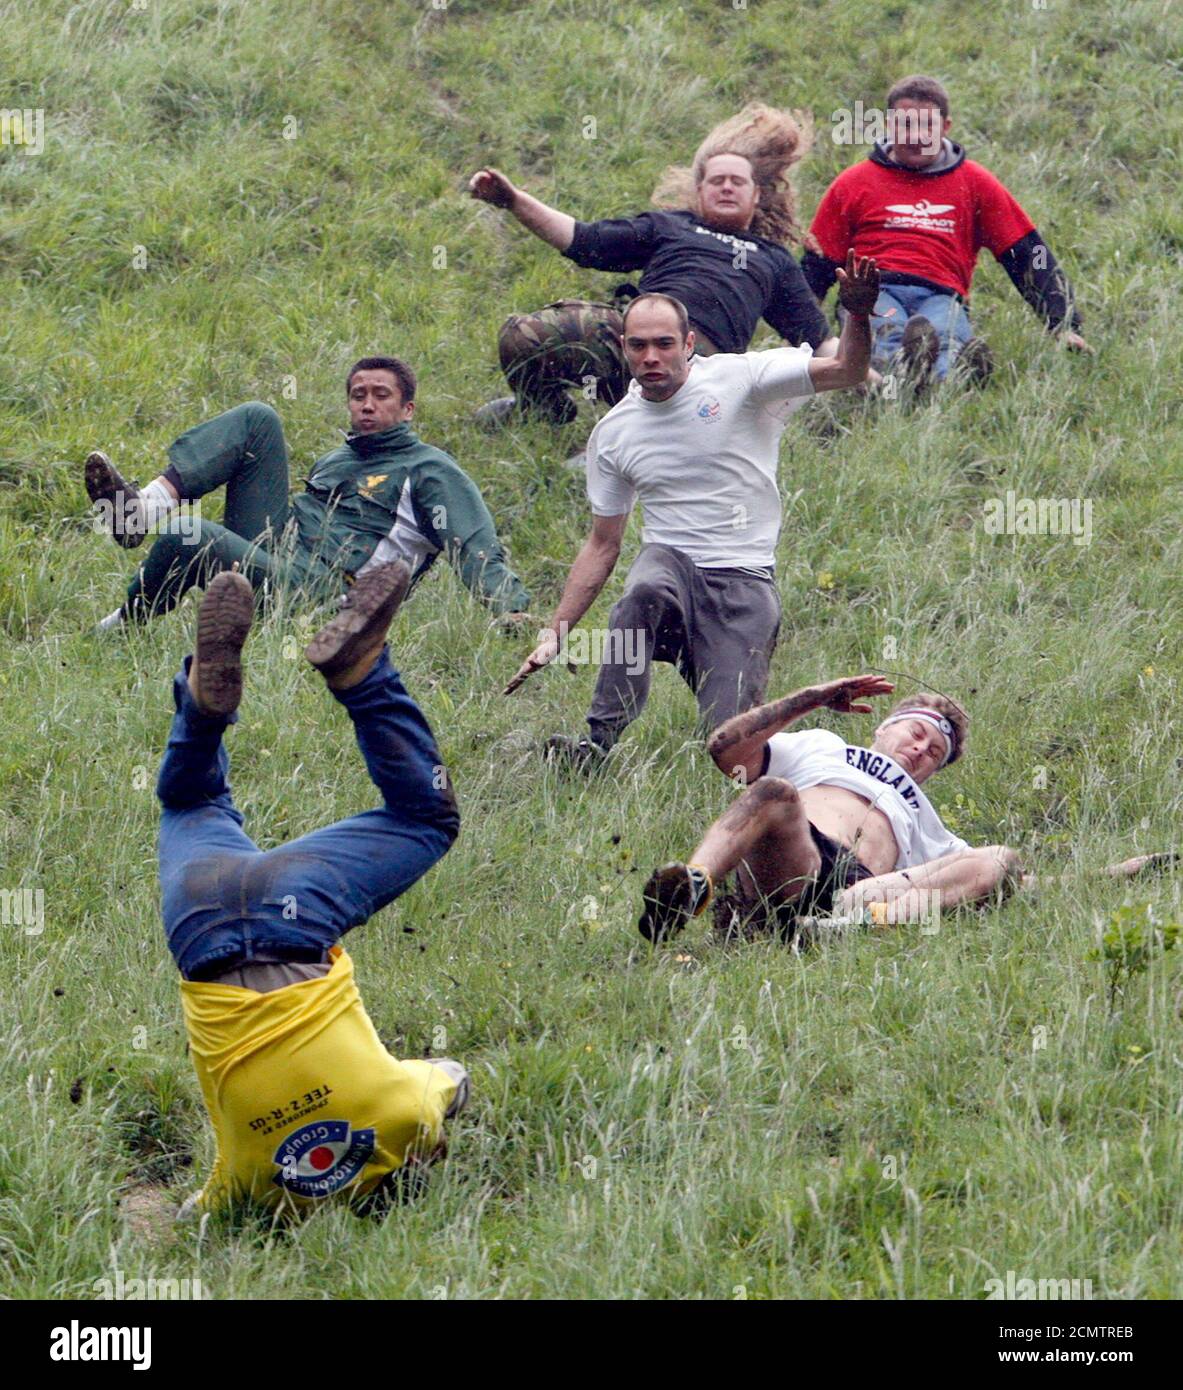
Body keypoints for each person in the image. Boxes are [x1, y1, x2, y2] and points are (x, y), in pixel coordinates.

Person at [161, 561, 469, 1217]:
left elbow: (456, 1080)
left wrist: (418, 1131)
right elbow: (193, 1216)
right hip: (201, 921)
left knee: (427, 817)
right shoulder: (241, 1186)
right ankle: (199, 708)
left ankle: (361, 672)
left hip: (293, 913)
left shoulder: (402, 1114)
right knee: (192, 805)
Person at [504, 256, 878, 768]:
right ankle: (596, 744)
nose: (651, 356)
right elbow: (602, 544)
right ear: (623, 349)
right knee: (645, 588)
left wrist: (857, 314)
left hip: (742, 582)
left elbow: (848, 370)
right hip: (672, 568)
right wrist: (556, 632)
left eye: (664, 344)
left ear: (689, 344)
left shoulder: (742, 379)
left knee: (729, 745)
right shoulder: (614, 433)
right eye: (638, 345)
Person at [86, 355, 531, 629]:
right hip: (278, 553)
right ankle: (141, 512)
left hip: (319, 597)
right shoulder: (339, 459)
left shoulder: (429, 470)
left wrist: (510, 611)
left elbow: (474, 544)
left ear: (408, 409)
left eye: (381, 395)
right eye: (359, 395)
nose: (368, 404)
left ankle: (124, 625)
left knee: (188, 534)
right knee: (258, 418)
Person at [468, 104, 837, 429]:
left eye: (737, 182)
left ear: (756, 195)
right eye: (717, 180)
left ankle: (625, 443)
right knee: (526, 335)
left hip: (704, 374)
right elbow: (582, 240)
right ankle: (539, 413)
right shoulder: (670, 226)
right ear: (699, 190)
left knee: (684, 421)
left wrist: (870, 372)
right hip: (637, 341)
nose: (726, 188)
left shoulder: (773, 260)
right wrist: (513, 201)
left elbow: (821, 343)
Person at [637, 674, 1020, 942]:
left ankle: (849, 929)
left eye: (935, 752)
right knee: (772, 791)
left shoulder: (926, 818)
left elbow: (987, 878)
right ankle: (694, 887)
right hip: (798, 860)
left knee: (1001, 858)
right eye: (917, 733)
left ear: (934, 772)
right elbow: (724, 749)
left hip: (861, 892)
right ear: (884, 727)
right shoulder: (823, 745)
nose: (921, 749)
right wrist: (812, 698)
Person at [801, 75, 1090, 390]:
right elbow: (817, 264)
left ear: (946, 127)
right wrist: (799, 330)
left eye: (927, 126)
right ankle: (892, 384)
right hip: (876, 292)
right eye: (906, 125)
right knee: (885, 330)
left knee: (945, 334)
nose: (916, 136)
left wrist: (1063, 324)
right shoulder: (853, 182)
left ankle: (949, 380)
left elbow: (1027, 254)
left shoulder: (975, 183)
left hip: (941, 294)